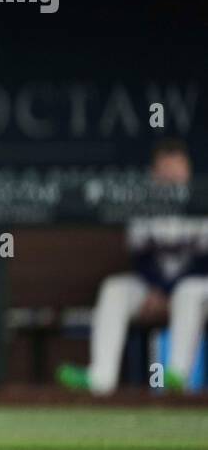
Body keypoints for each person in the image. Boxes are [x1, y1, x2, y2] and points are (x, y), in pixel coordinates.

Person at [58, 140, 208, 395]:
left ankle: (177, 377)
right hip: (152, 289)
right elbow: (140, 257)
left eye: (177, 171)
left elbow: (202, 262)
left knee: (188, 292)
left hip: (195, 288)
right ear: (154, 173)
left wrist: (166, 292)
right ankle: (101, 378)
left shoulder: (202, 201)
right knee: (115, 289)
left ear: (188, 172)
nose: (171, 177)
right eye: (165, 171)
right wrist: (156, 291)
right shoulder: (145, 203)